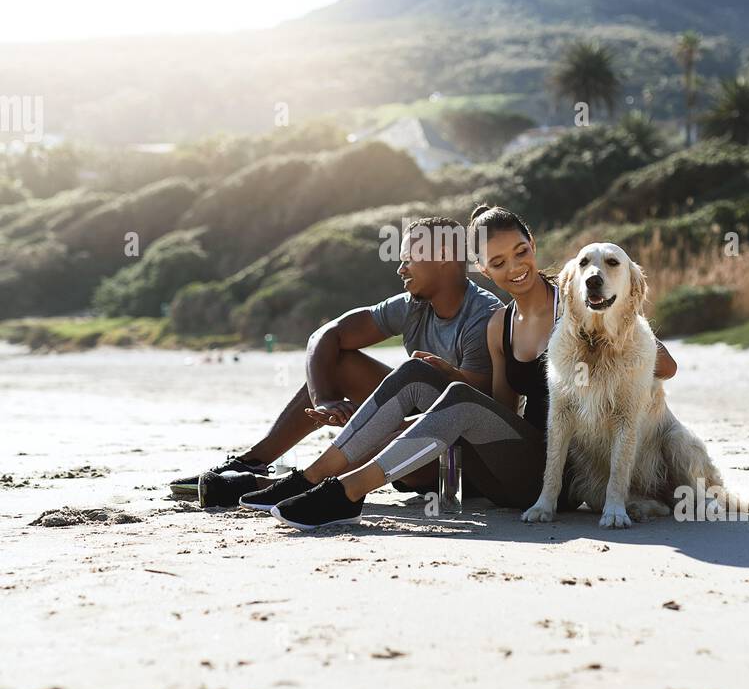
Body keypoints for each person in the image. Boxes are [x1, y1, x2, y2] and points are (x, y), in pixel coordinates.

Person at [250, 204, 677, 529]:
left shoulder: (581, 303)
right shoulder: (499, 325)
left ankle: (348, 492)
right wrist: (449, 378)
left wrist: (611, 335)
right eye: (497, 263)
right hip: (512, 466)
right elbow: (501, 410)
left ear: (533, 246)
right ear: (483, 270)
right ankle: (312, 478)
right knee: (418, 373)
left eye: (520, 252)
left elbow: (666, 365)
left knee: (450, 393)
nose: (514, 268)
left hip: (562, 476)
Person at [172, 215, 502, 506]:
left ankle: (271, 485)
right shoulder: (413, 305)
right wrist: (325, 400)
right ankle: (250, 463)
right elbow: (326, 336)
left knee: (417, 389)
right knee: (340, 362)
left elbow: (472, 415)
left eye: (408, 259)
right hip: (414, 426)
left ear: (443, 255)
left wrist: (373, 426)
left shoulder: (482, 318)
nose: (400, 269)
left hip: (459, 461)